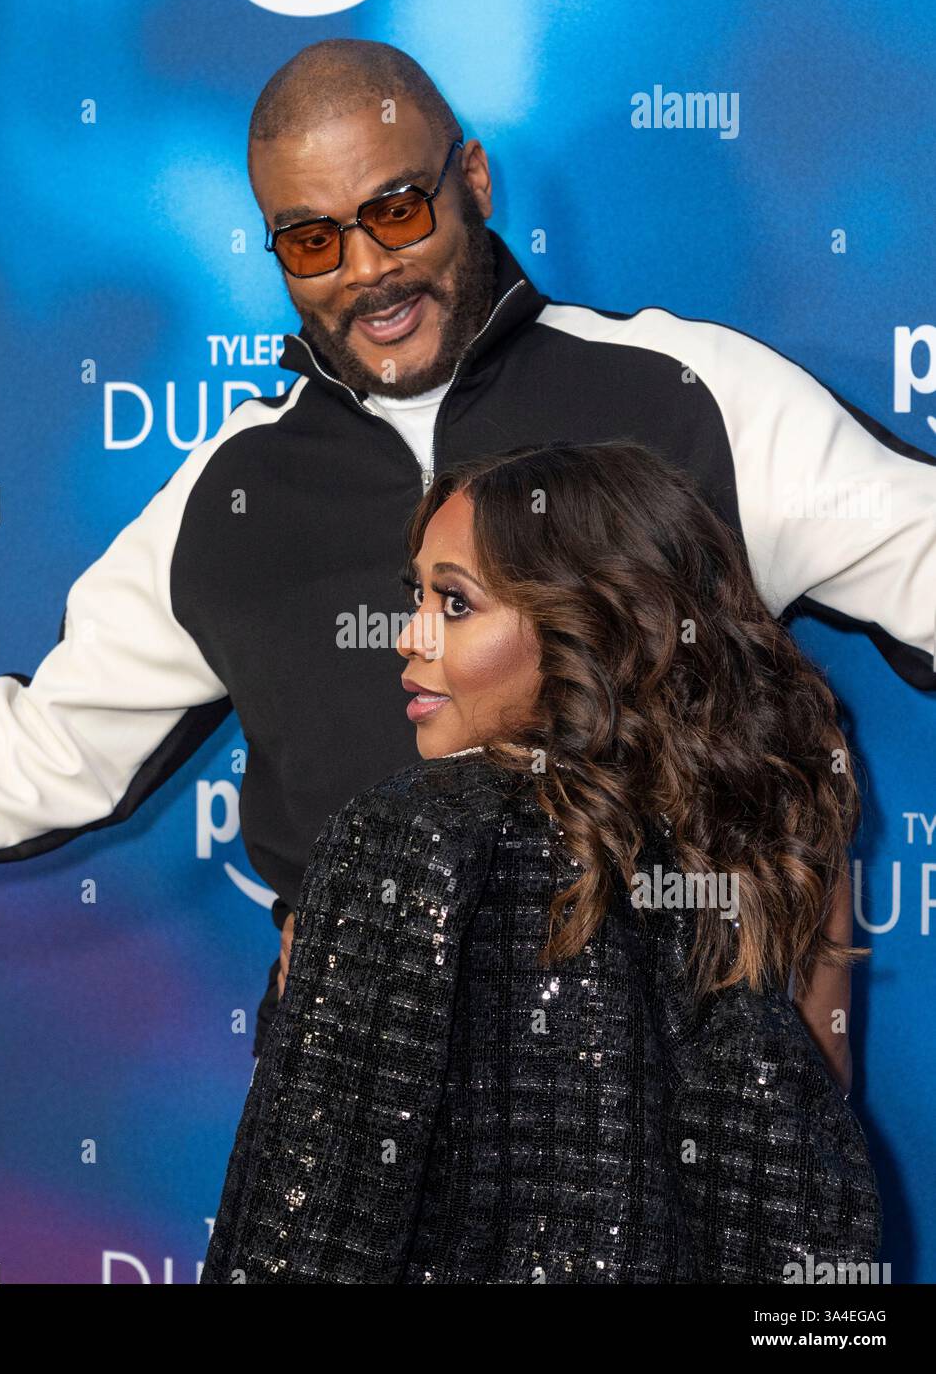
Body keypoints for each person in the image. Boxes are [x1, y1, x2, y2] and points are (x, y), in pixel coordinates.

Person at [0, 41, 933, 1070]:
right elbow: (38, 755)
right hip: (355, 1108)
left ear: (472, 179)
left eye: (396, 212)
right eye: (313, 240)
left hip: (662, 1102)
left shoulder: (689, 394)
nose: (366, 271)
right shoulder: (232, 493)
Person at [199, 438, 882, 1285]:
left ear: (588, 622)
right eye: (415, 597)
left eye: (454, 604)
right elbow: (806, 1178)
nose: (407, 638)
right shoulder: (762, 828)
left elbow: (308, 1225)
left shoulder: (406, 837)